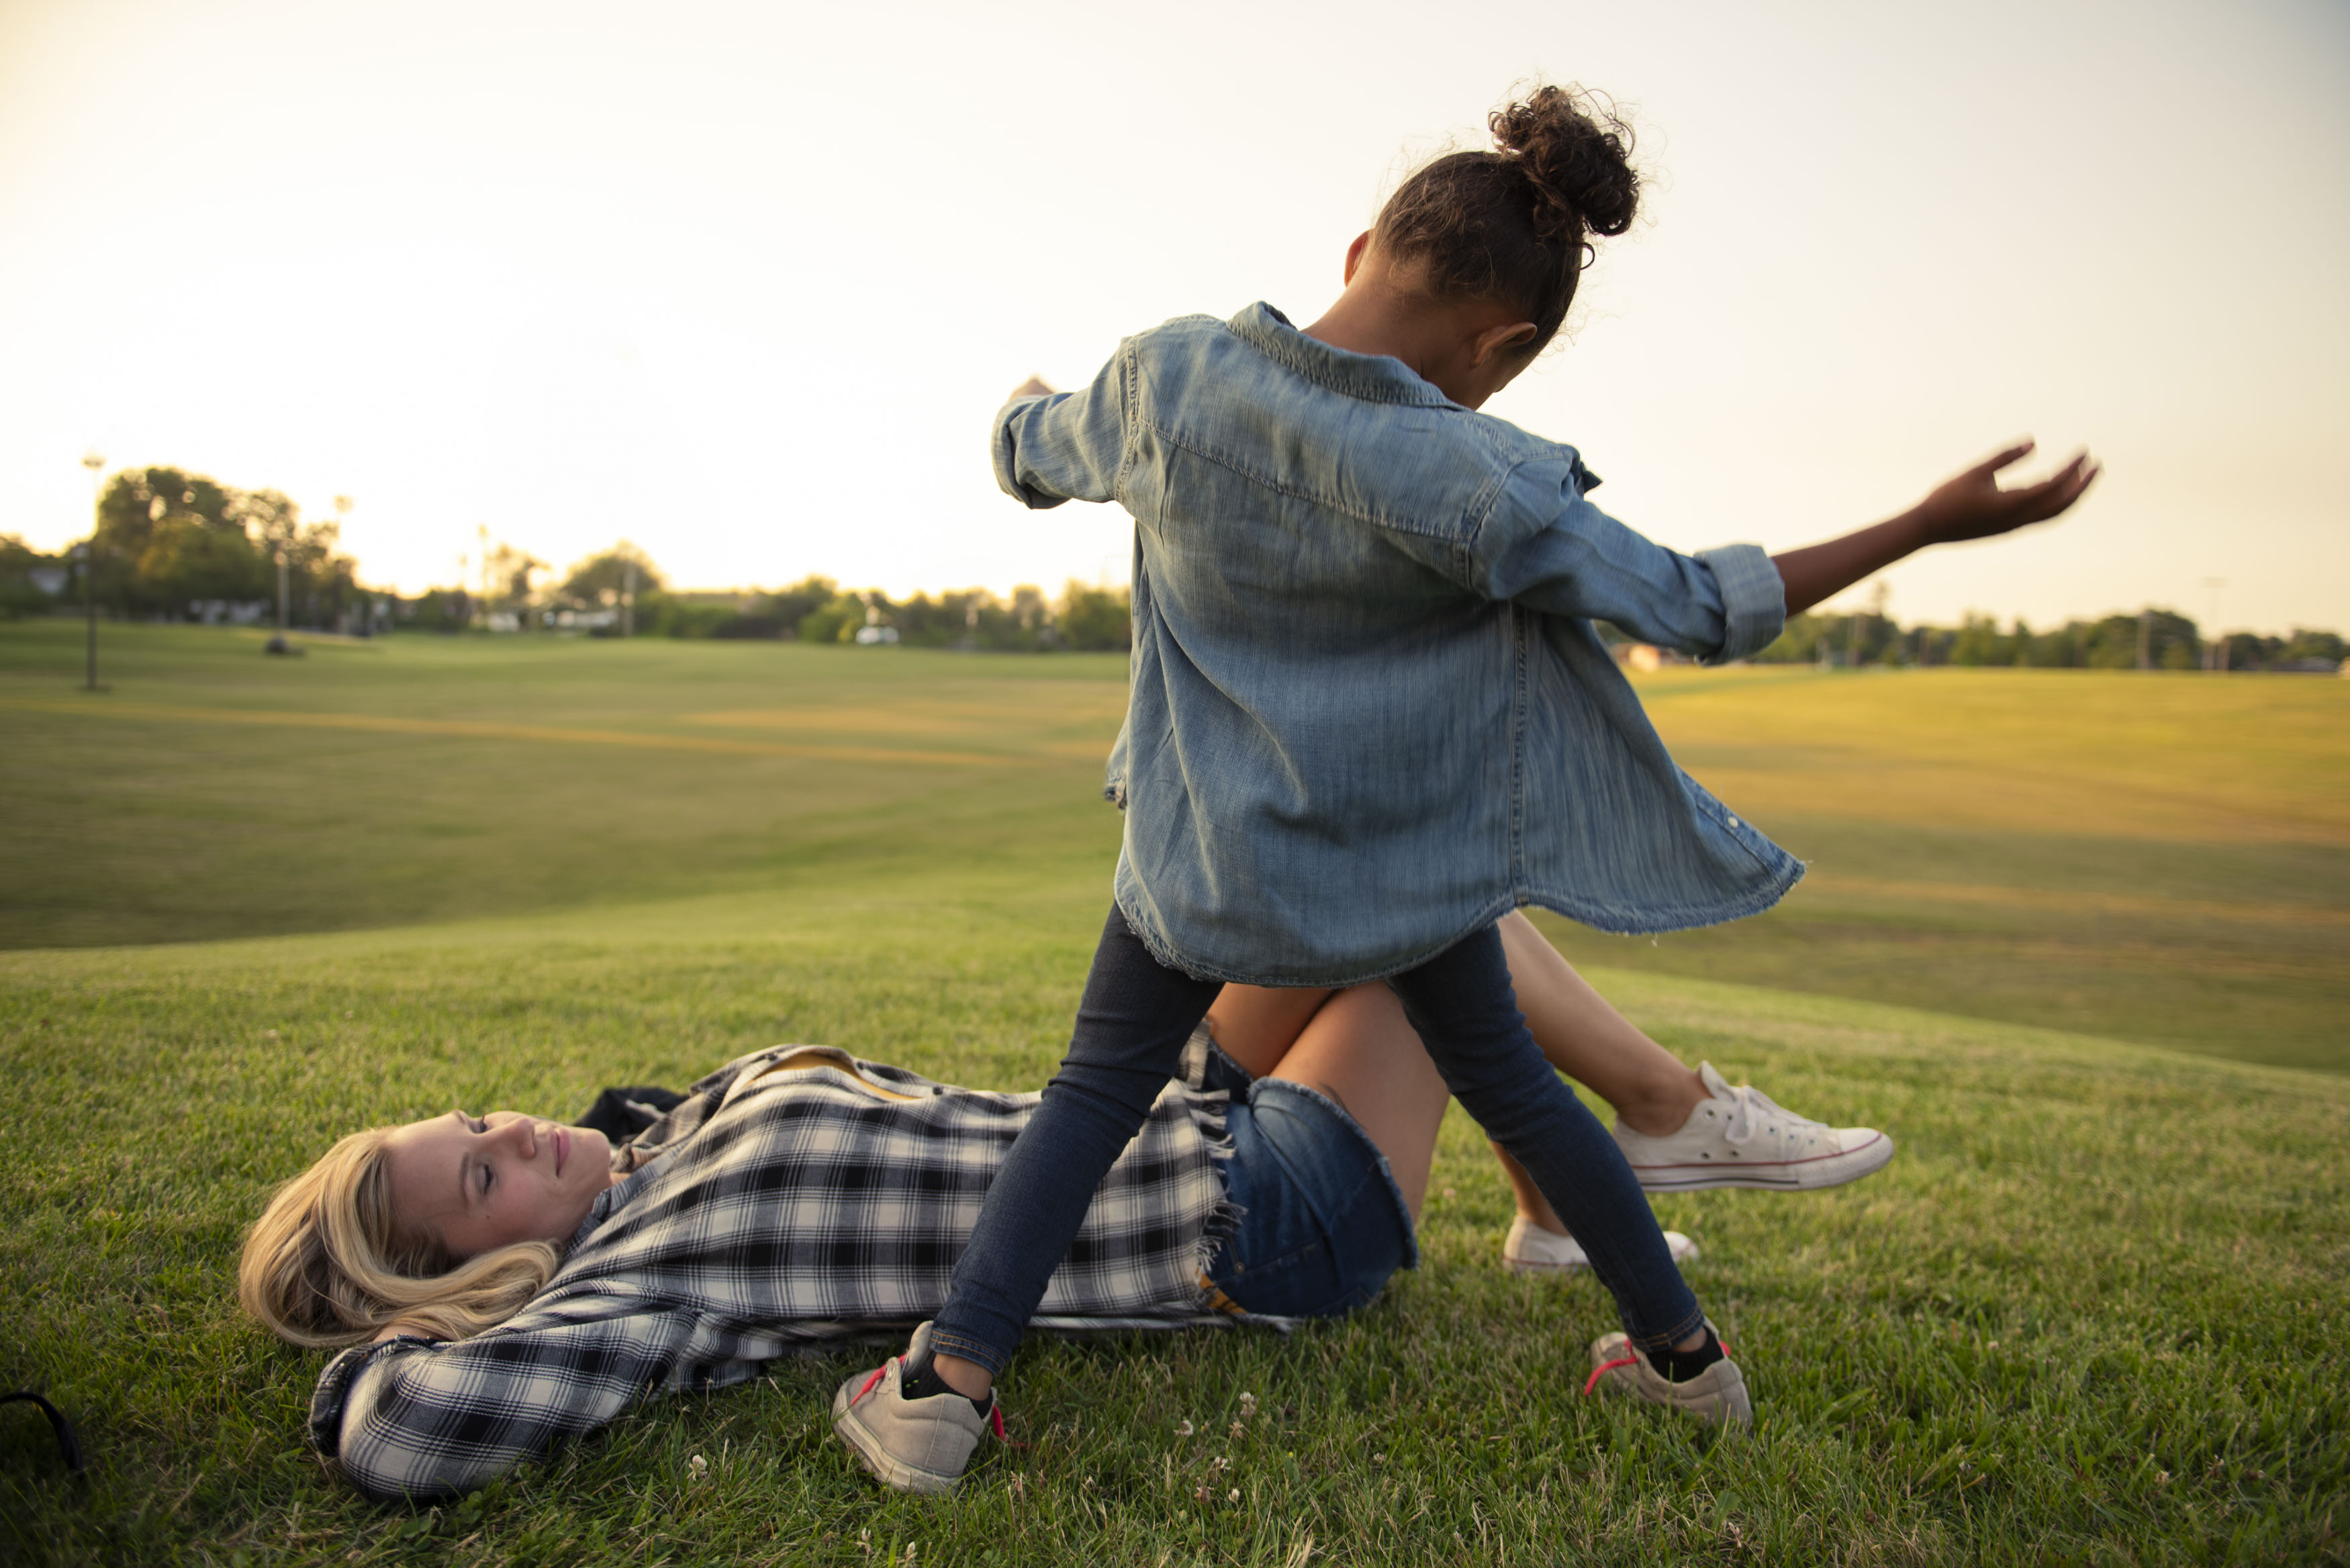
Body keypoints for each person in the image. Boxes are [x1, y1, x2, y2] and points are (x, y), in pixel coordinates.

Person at [841, 79, 2097, 1490]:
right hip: (1405, 876)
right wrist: (1926, 523)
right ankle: (1684, 1362)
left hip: (1197, 862)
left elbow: (1028, 452)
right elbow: (1693, 605)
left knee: (1093, 1094)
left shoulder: (1162, 380)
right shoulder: (1485, 480)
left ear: (1359, 247)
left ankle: (940, 1393)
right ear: (1500, 346)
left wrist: (1022, 413)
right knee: (1519, 1087)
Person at [242, 914, 1884, 1502]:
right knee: (1426, 907)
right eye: (480, 1175)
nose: (510, 1129)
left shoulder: (664, 1143)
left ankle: (1577, 1189)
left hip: (1176, 1109)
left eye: (471, 1119)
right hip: (1256, 1218)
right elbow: (400, 1431)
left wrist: (604, 1132)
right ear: (484, 1270)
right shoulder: (639, 1280)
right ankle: (1660, 1119)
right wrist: (373, 1345)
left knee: (1346, 871)